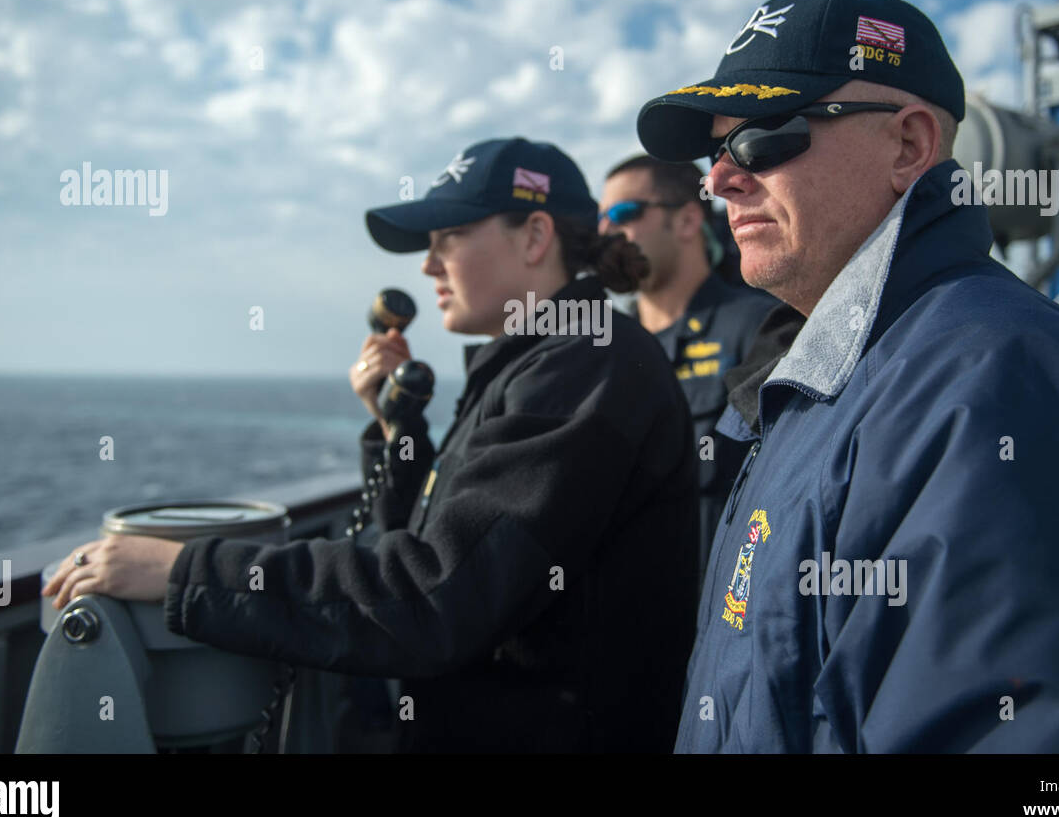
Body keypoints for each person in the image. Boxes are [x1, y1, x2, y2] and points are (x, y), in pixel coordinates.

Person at [635, 0, 1059, 752]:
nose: (721, 180)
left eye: (764, 137)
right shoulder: (819, 386)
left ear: (909, 145)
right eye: (716, 151)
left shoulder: (1010, 389)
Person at [43, 137, 699, 753]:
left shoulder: (587, 365)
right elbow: (429, 543)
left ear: (534, 236)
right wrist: (398, 429)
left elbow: (433, 599)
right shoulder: (538, 364)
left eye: (452, 235)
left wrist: (183, 571)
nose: (427, 263)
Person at [598, 155, 789, 582]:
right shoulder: (601, 349)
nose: (605, 231)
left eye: (623, 213)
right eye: (599, 218)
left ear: (686, 221)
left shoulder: (763, 330)